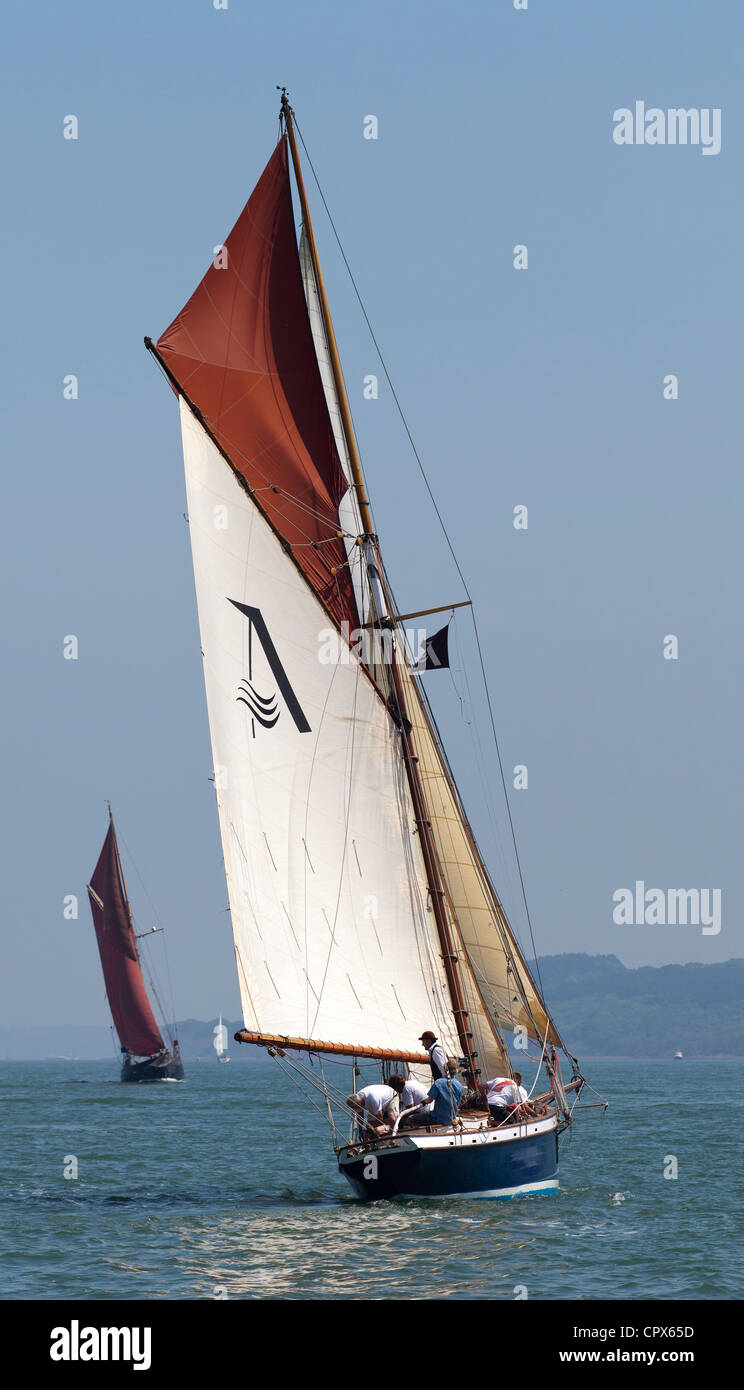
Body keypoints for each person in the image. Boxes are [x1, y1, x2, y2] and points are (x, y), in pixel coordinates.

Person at [423, 1059, 463, 1128]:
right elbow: (458, 1102)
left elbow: (429, 1100)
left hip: (438, 1119)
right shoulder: (459, 1085)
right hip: (451, 1119)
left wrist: (422, 1102)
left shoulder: (438, 1082)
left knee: (411, 1119)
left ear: (446, 1070)